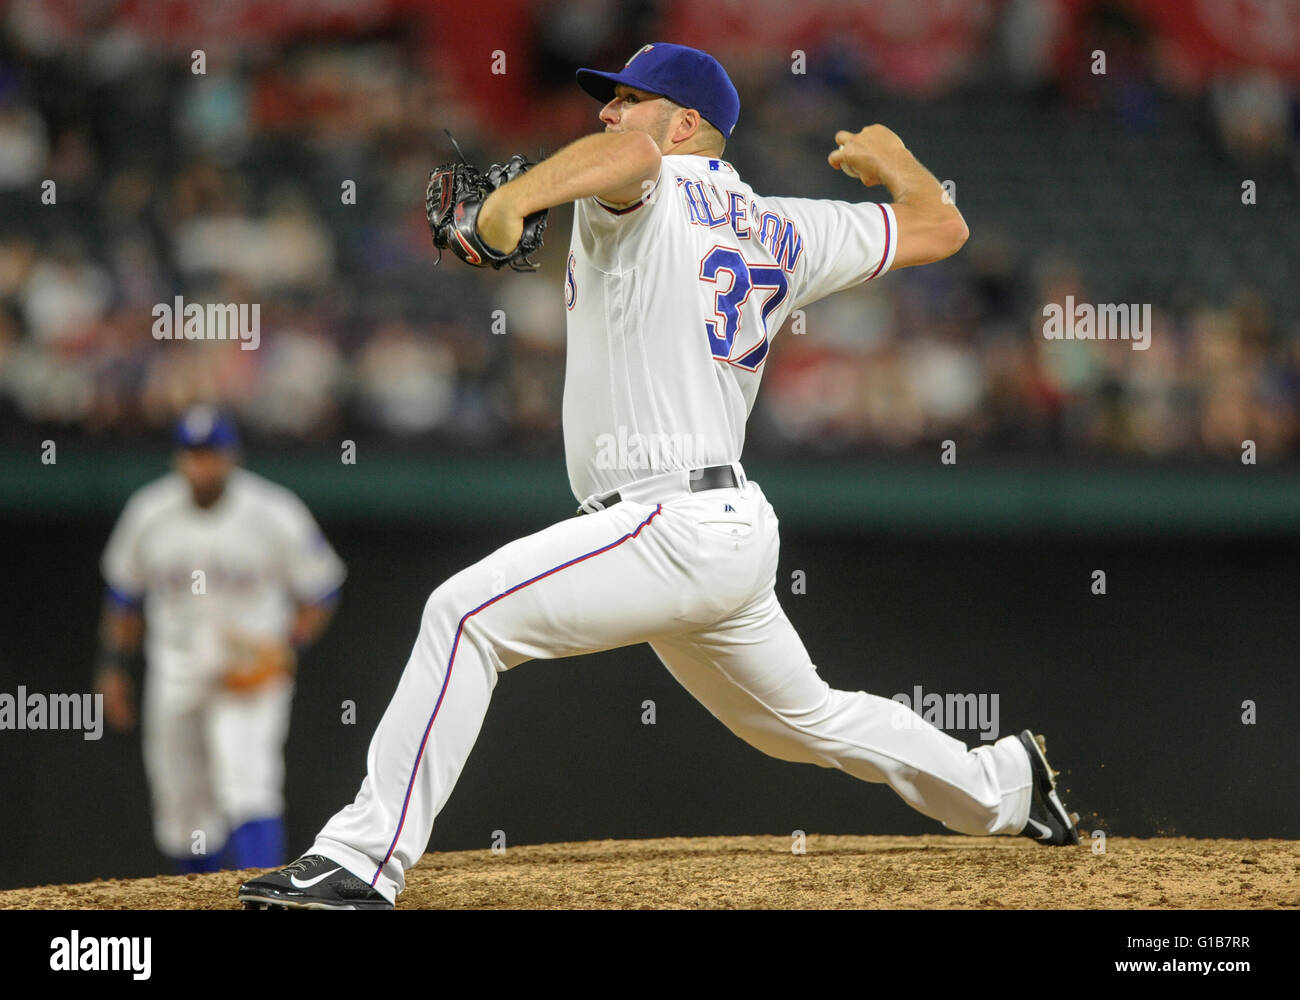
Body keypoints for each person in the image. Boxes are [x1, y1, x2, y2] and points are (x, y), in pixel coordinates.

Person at [239, 42, 1080, 910]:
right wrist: (898, 161)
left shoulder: (653, 185)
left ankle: (361, 860)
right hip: (724, 528)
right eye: (607, 101)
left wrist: (511, 200)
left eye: (629, 99)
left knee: (462, 618)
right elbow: (943, 227)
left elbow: (637, 160)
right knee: (811, 719)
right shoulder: (790, 224)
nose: (607, 114)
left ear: (686, 125)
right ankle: (1005, 784)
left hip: (667, 515)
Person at [96, 404, 345, 872]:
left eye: (209, 453)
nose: (200, 464)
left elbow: (322, 590)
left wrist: (287, 648)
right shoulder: (149, 511)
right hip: (175, 668)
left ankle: (261, 900)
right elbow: (124, 598)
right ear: (178, 458)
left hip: (248, 670)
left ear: (231, 457)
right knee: (180, 806)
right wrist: (112, 668)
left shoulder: (274, 510)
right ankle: (199, 899)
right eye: (191, 454)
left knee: (249, 787)